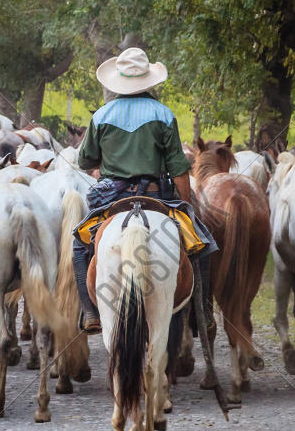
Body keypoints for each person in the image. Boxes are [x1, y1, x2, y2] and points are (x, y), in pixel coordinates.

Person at [72, 47, 215, 335]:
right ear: (149, 80)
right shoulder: (163, 114)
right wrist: (186, 204)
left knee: (79, 247)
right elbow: (178, 168)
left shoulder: (101, 116)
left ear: (118, 80)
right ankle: (202, 311)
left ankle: (90, 312)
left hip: (112, 197)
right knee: (202, 243)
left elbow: (85, 160)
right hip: (155, 194)